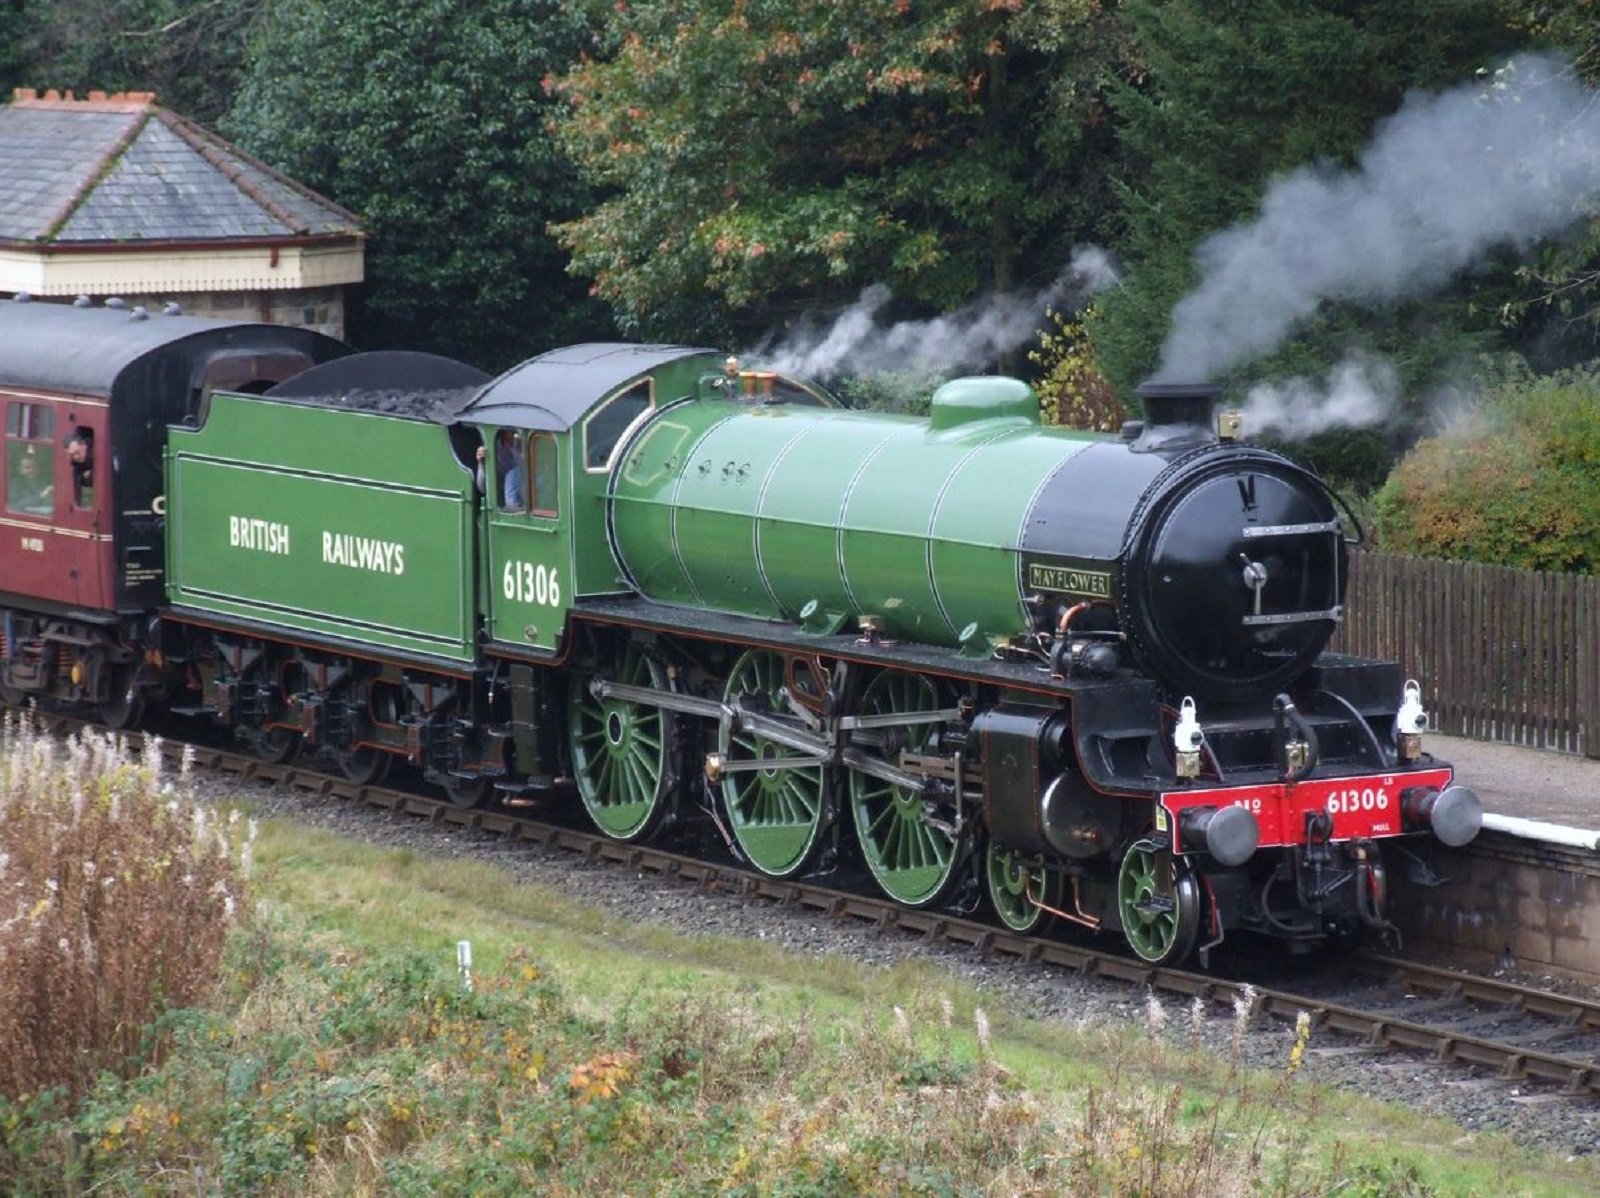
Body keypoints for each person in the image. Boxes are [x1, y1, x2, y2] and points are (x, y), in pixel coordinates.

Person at [8, 448, 52, 515]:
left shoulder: (43, 480)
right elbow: (15, 505)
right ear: (20, 470)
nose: (32, 470)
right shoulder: (16, 484)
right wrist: (41, 496)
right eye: (27, 467)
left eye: (33, 466)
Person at [64, 431, 93, 499]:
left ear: (83, 445)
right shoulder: (76, 465)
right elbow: (81, 481)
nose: (76, 457)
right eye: (72, 455)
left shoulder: (98, 450)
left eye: (77, 452)